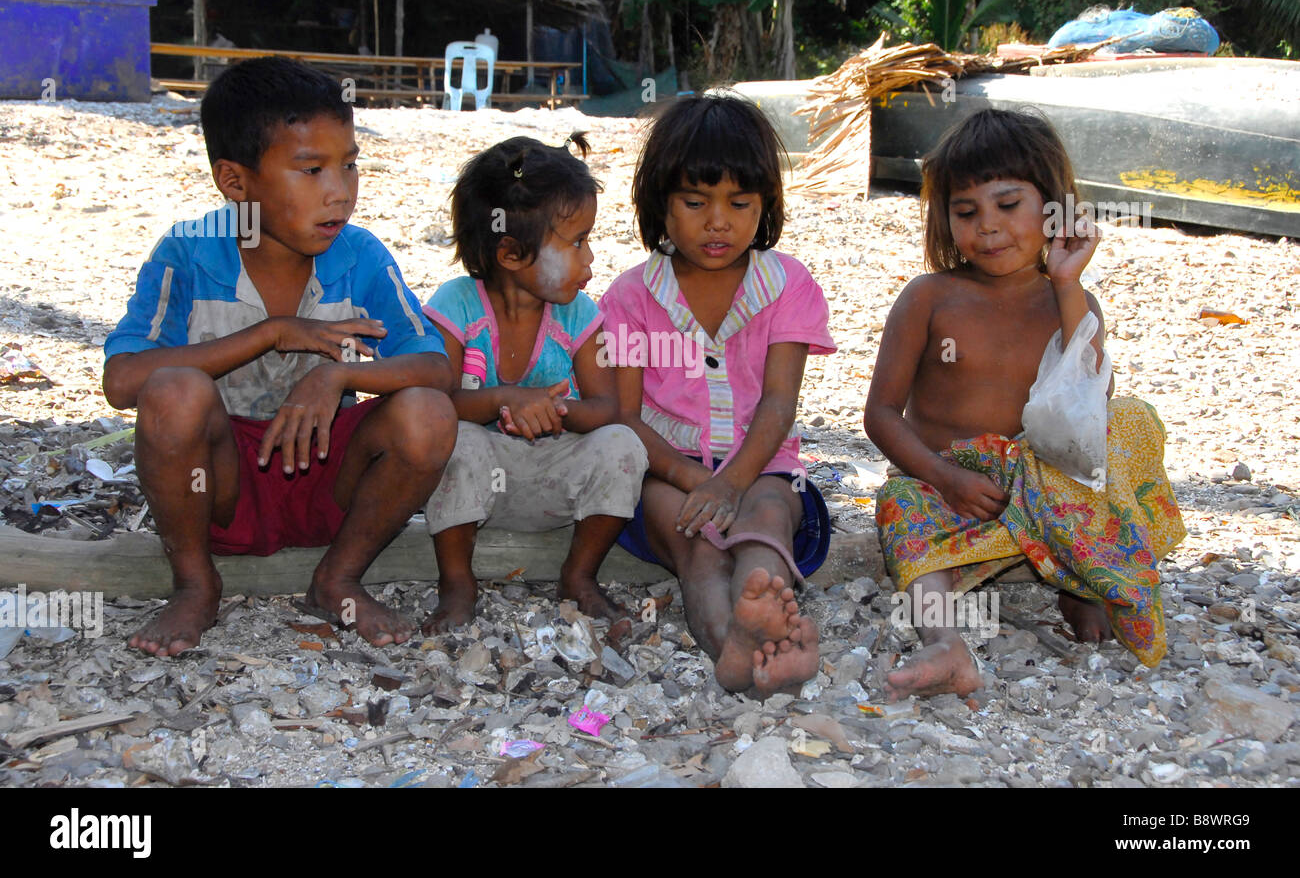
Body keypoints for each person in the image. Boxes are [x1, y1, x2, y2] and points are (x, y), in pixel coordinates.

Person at [103, 56, 457, 657]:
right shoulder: (188, 254)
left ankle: (337, 576)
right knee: (173, 391)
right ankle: (194, 584)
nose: (339, 192)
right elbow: (122, 381)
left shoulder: (362, 256)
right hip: (221, 489)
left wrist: (338, 375)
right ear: (236, 182)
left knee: (426, 411)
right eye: (311, 169)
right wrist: (272, 333)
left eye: (349, 166)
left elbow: (436, 370)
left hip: (327, 481)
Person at [865, 107, 1186, 700]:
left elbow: (1090, 411)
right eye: (966, 212)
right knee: (898, 507)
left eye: (1007, 205)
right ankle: (943, 641)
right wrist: (941, 474)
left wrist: (1066, 284)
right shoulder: (930, 298)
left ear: (1054, 207)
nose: (987, 228)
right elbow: (880, 414)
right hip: (950, 489)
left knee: (1133, 421)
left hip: (1042, 483)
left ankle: (1084, 581)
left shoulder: (1072, 299)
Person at [601, 93, 837, 698]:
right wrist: (691, 479)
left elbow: (779, 403)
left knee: (763, 521)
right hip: (665, 471)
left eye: (740, 203)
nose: (718, 222)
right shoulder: (631, 297)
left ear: (766, 206)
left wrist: (730, 482)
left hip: (762, 465)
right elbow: (625, 416)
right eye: (694, 201)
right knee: (698, 549)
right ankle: (730, 643)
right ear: (660, 203)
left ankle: (762, 613)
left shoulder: (787, 284)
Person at [420, 134, 647, 631]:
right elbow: (433, 403)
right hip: (477, 482)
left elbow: (607, 407)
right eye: (576, 242)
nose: (589, 258)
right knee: (453, 439)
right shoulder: (457, 306)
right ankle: (457, 580)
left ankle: (579, 573)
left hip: (554, 474)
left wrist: (555, 412)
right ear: (511, 253)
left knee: (623, 444)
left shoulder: (579, 315)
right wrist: (504, 400)